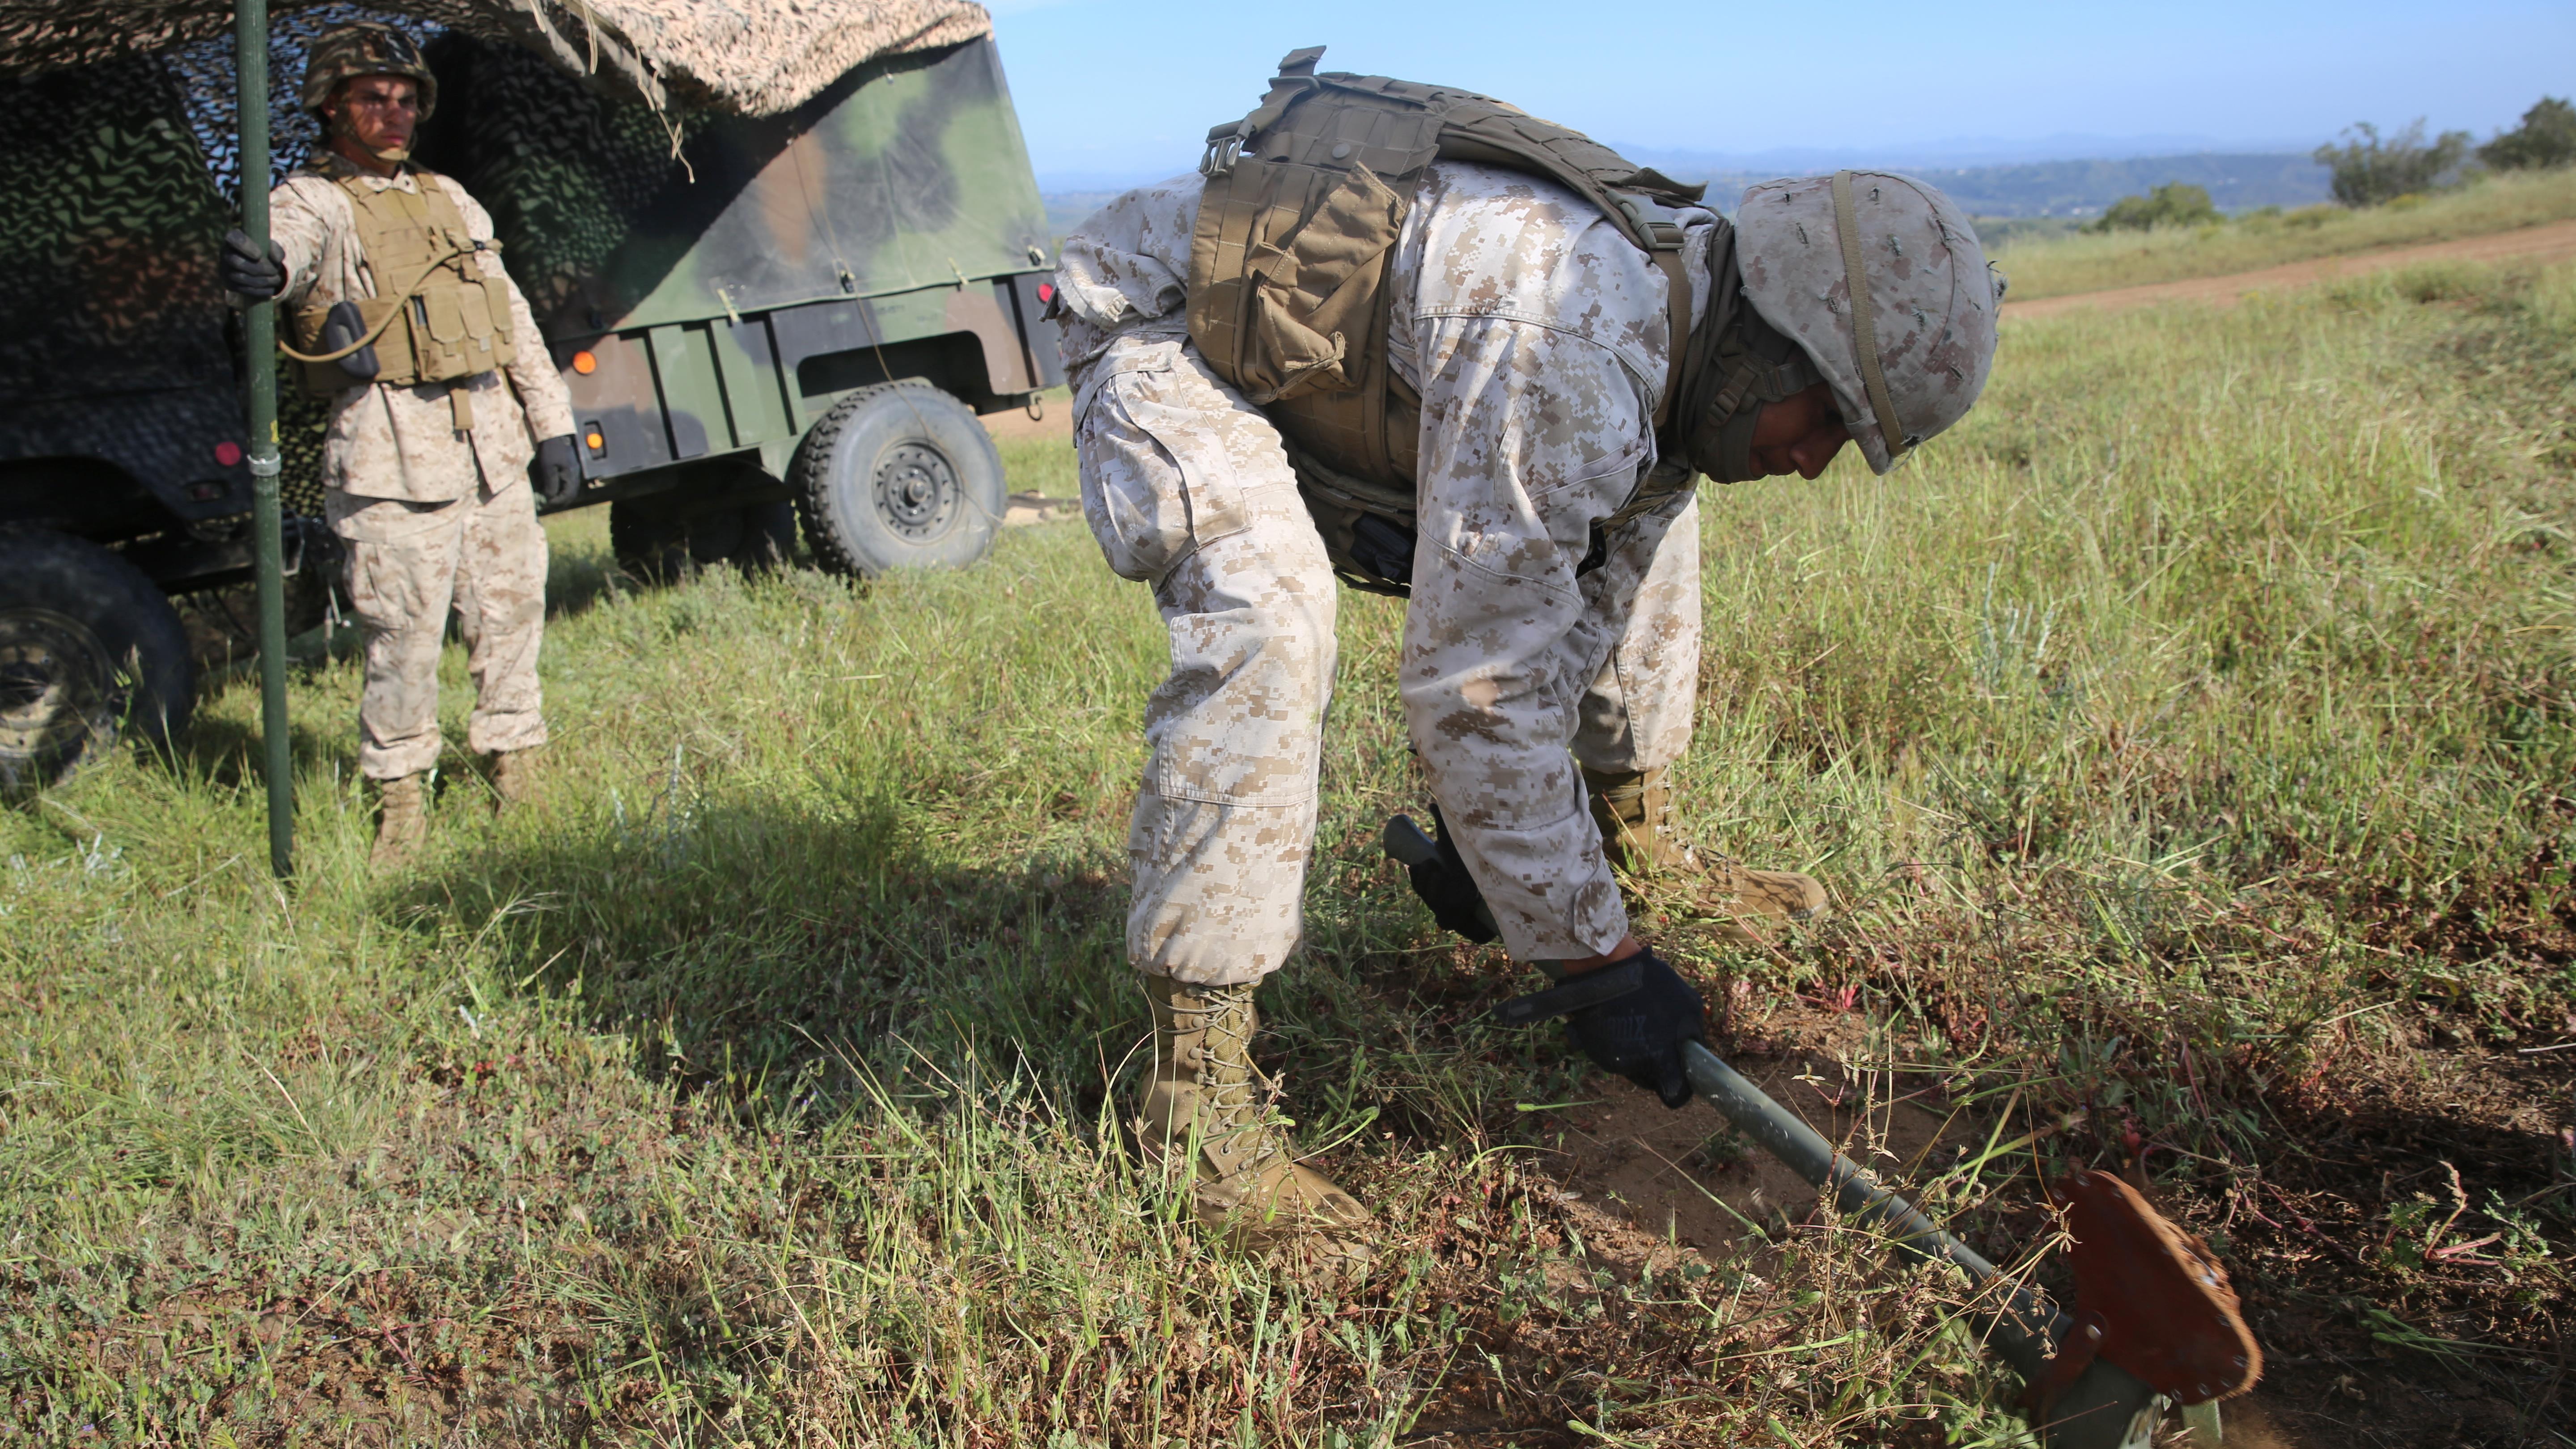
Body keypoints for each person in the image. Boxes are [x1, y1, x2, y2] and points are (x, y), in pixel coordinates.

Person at [1052, 50, 2005, 1260]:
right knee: (1270, 621)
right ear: (1772, 350)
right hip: (1160, 338)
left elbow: (1576, 587)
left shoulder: (1683, 323)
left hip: (1366, 365)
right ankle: (1194, 1103)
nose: (1814, 463)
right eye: (1824, 422)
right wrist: (1592, 958)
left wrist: (1511, 845)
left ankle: (1628, 835)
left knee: (1659, 515)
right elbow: (1479, 687)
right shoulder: (1571, 331)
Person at [217, 22, 580, 868]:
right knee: (403, 640)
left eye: (406, 98)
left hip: (493, 452)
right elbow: (286, 254)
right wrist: (265, 270)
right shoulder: (313, 202)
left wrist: (552, 424)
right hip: (392, 462)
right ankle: (402, 802)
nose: (394, 113)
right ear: (331, 106)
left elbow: (513, 317)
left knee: (512, 617)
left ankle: (515, 766)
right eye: (372, 97)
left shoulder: (453, 198)